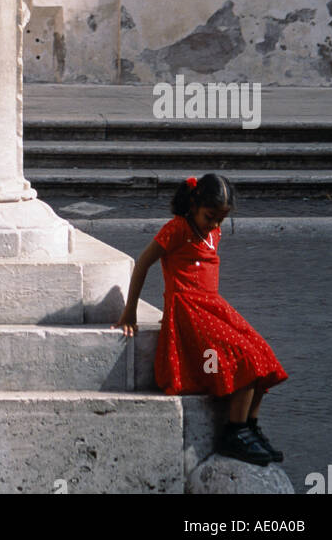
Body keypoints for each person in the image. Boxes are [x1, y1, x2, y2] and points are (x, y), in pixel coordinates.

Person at [113, 172, 287, 466]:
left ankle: (251, 427)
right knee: (245, 358)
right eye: (211, 217)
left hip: (213, 306)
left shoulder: (213, 231)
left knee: (264, 356)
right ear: (194, 205)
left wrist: (213, 224)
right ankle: (235, 431)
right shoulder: (177, 228)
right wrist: (129, 311)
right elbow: (143, 262)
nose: (216, 225)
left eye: (221, 218)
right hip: (188, 311)